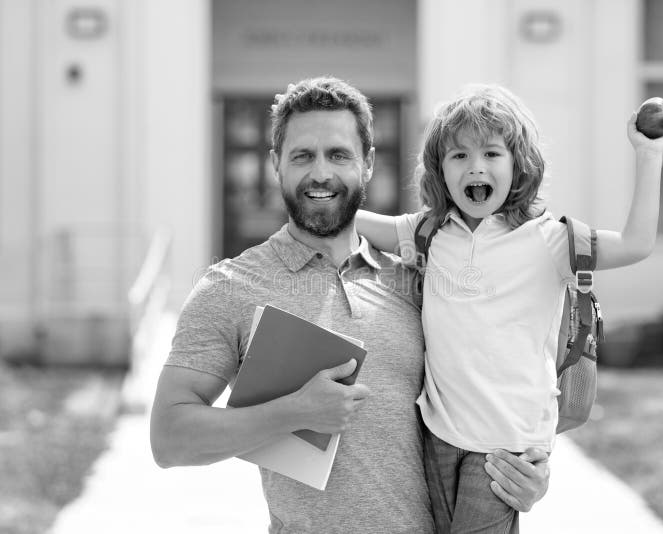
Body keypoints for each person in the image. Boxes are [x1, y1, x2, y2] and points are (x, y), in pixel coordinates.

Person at [150, 77, 551, 534]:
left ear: (368, 165)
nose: (321, 173)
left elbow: (498, 383)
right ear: (275, 165)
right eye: (303, 155)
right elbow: (169, 439)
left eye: (338, 155)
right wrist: (294, 411)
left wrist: (525, 471)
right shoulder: (231, 287)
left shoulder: (420, 281)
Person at [355, 83, 663, 533]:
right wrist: (313, 195)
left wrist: (649, 154)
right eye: (459, 156)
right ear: (440, 170)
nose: (475, 167)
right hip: (436, 434)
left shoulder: (549, 241)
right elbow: (359, 223)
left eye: (491, 154)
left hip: (505, 449)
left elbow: (637, 244)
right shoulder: (430, 232)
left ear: (518, 165)